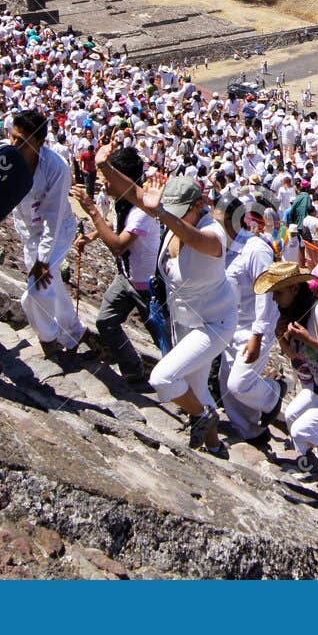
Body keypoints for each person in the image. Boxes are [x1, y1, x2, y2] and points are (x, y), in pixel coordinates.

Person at [140, 173, 230, 456]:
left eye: (181, 213)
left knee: (163, 378)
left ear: (198, 205)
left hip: (214, 323)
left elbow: (197, 239)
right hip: (185, 320)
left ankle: (203, 417)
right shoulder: (173, 225)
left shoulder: (213, 233)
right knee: (196, 387)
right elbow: (132, 193)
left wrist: (164, 214)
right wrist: (105, 167)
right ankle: (216, 447)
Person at [261, 260, 318, 493]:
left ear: (294, 289)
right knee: (293, 415)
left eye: (278, 293)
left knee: (302, 429)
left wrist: (308, 340)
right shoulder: (296, 315)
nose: (274, 299)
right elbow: (300, 360)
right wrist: (285, 343)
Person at [73, 143, 162, 380]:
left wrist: (92, 211)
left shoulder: (143, 212)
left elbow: (118, 245)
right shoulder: (124, 203)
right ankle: (133, 370)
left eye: (108, 177)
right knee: (106, 322)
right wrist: (91, 237)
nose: (103, 182)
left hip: (148, 287)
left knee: (162, 338)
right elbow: (115, 225)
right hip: (126, 278)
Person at [9, 109, 84, 355]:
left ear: (39, 142)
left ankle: (48, 338)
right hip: (29, 230)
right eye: (13, 137)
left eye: (22, 141)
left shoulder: (56, 168)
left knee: (34, 291)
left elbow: (53, 217)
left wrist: (43, 259)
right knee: (50, 285)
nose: (15, 144)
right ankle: (73, 332)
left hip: (58, 231)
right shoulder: (6, 156)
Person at [219, 192, 279, 441]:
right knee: (227, 386)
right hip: (230, 324)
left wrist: (259, 334)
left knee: (239, 383)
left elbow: (267, 292)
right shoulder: (223, 247)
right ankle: (251, 432)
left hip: (254, 327)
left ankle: (273, 395)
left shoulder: (256, 250)